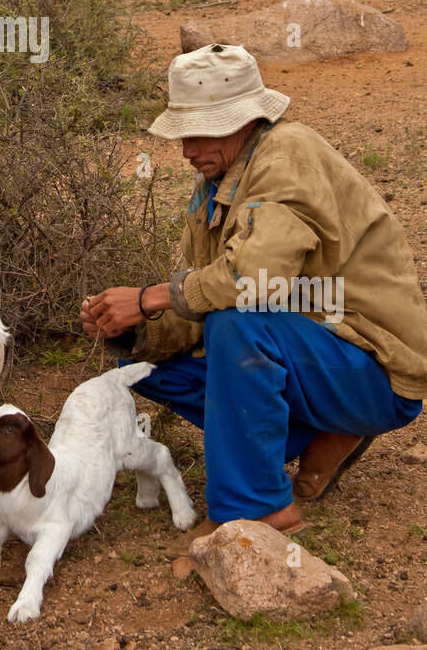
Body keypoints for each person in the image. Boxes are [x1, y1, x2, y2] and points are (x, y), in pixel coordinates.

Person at [80, 42, 427, 556]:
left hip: (374, 365)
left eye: (198, 132)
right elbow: (199, 296)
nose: (186, 151)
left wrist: (149, 297)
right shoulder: (218, 184)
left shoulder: (288, 156)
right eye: (183, 134)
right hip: (315, 351)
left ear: (241, 121)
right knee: (143, 368)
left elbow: (250, 281)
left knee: (238, 324)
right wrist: (133, 329)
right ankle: (313, 437)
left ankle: (257, 508)